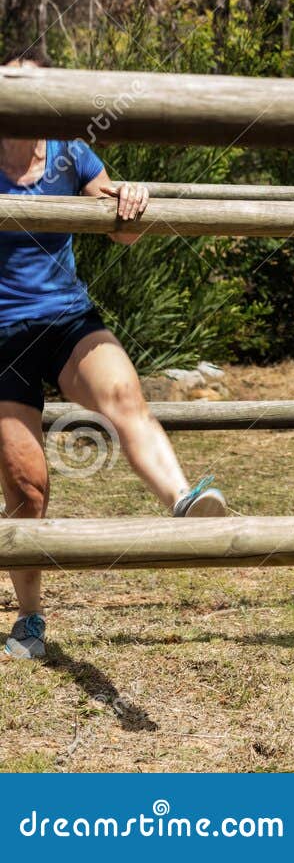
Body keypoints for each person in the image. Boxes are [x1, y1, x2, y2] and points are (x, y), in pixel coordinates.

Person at [0, 46, 226, 664]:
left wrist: (129, 201)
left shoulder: (71, 150)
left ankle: (184, 499)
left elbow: (116, 219)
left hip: (66, 318)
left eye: (34, 91)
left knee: (126, 396)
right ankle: (28, 619)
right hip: (0, 337)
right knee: (29, 486)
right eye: (11, 87)